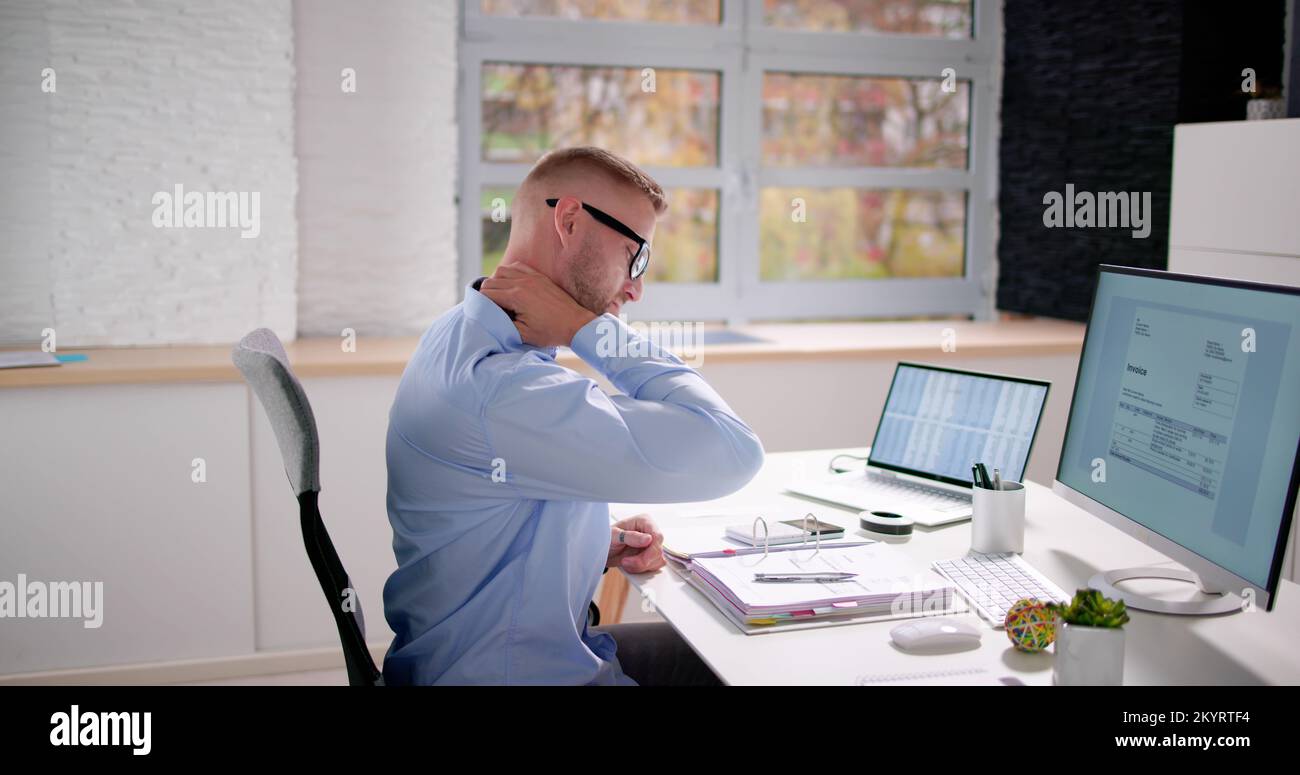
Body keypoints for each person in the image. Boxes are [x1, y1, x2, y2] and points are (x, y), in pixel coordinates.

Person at [381, 146, 764, 685]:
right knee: (760, 661)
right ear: (568, 220)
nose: (635, 287)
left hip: (469, 657)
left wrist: (587, 539)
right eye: (636, 257)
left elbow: (487, 505)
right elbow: (733, 448)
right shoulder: (505, 388)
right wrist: (587, 328)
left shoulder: (457, 330)